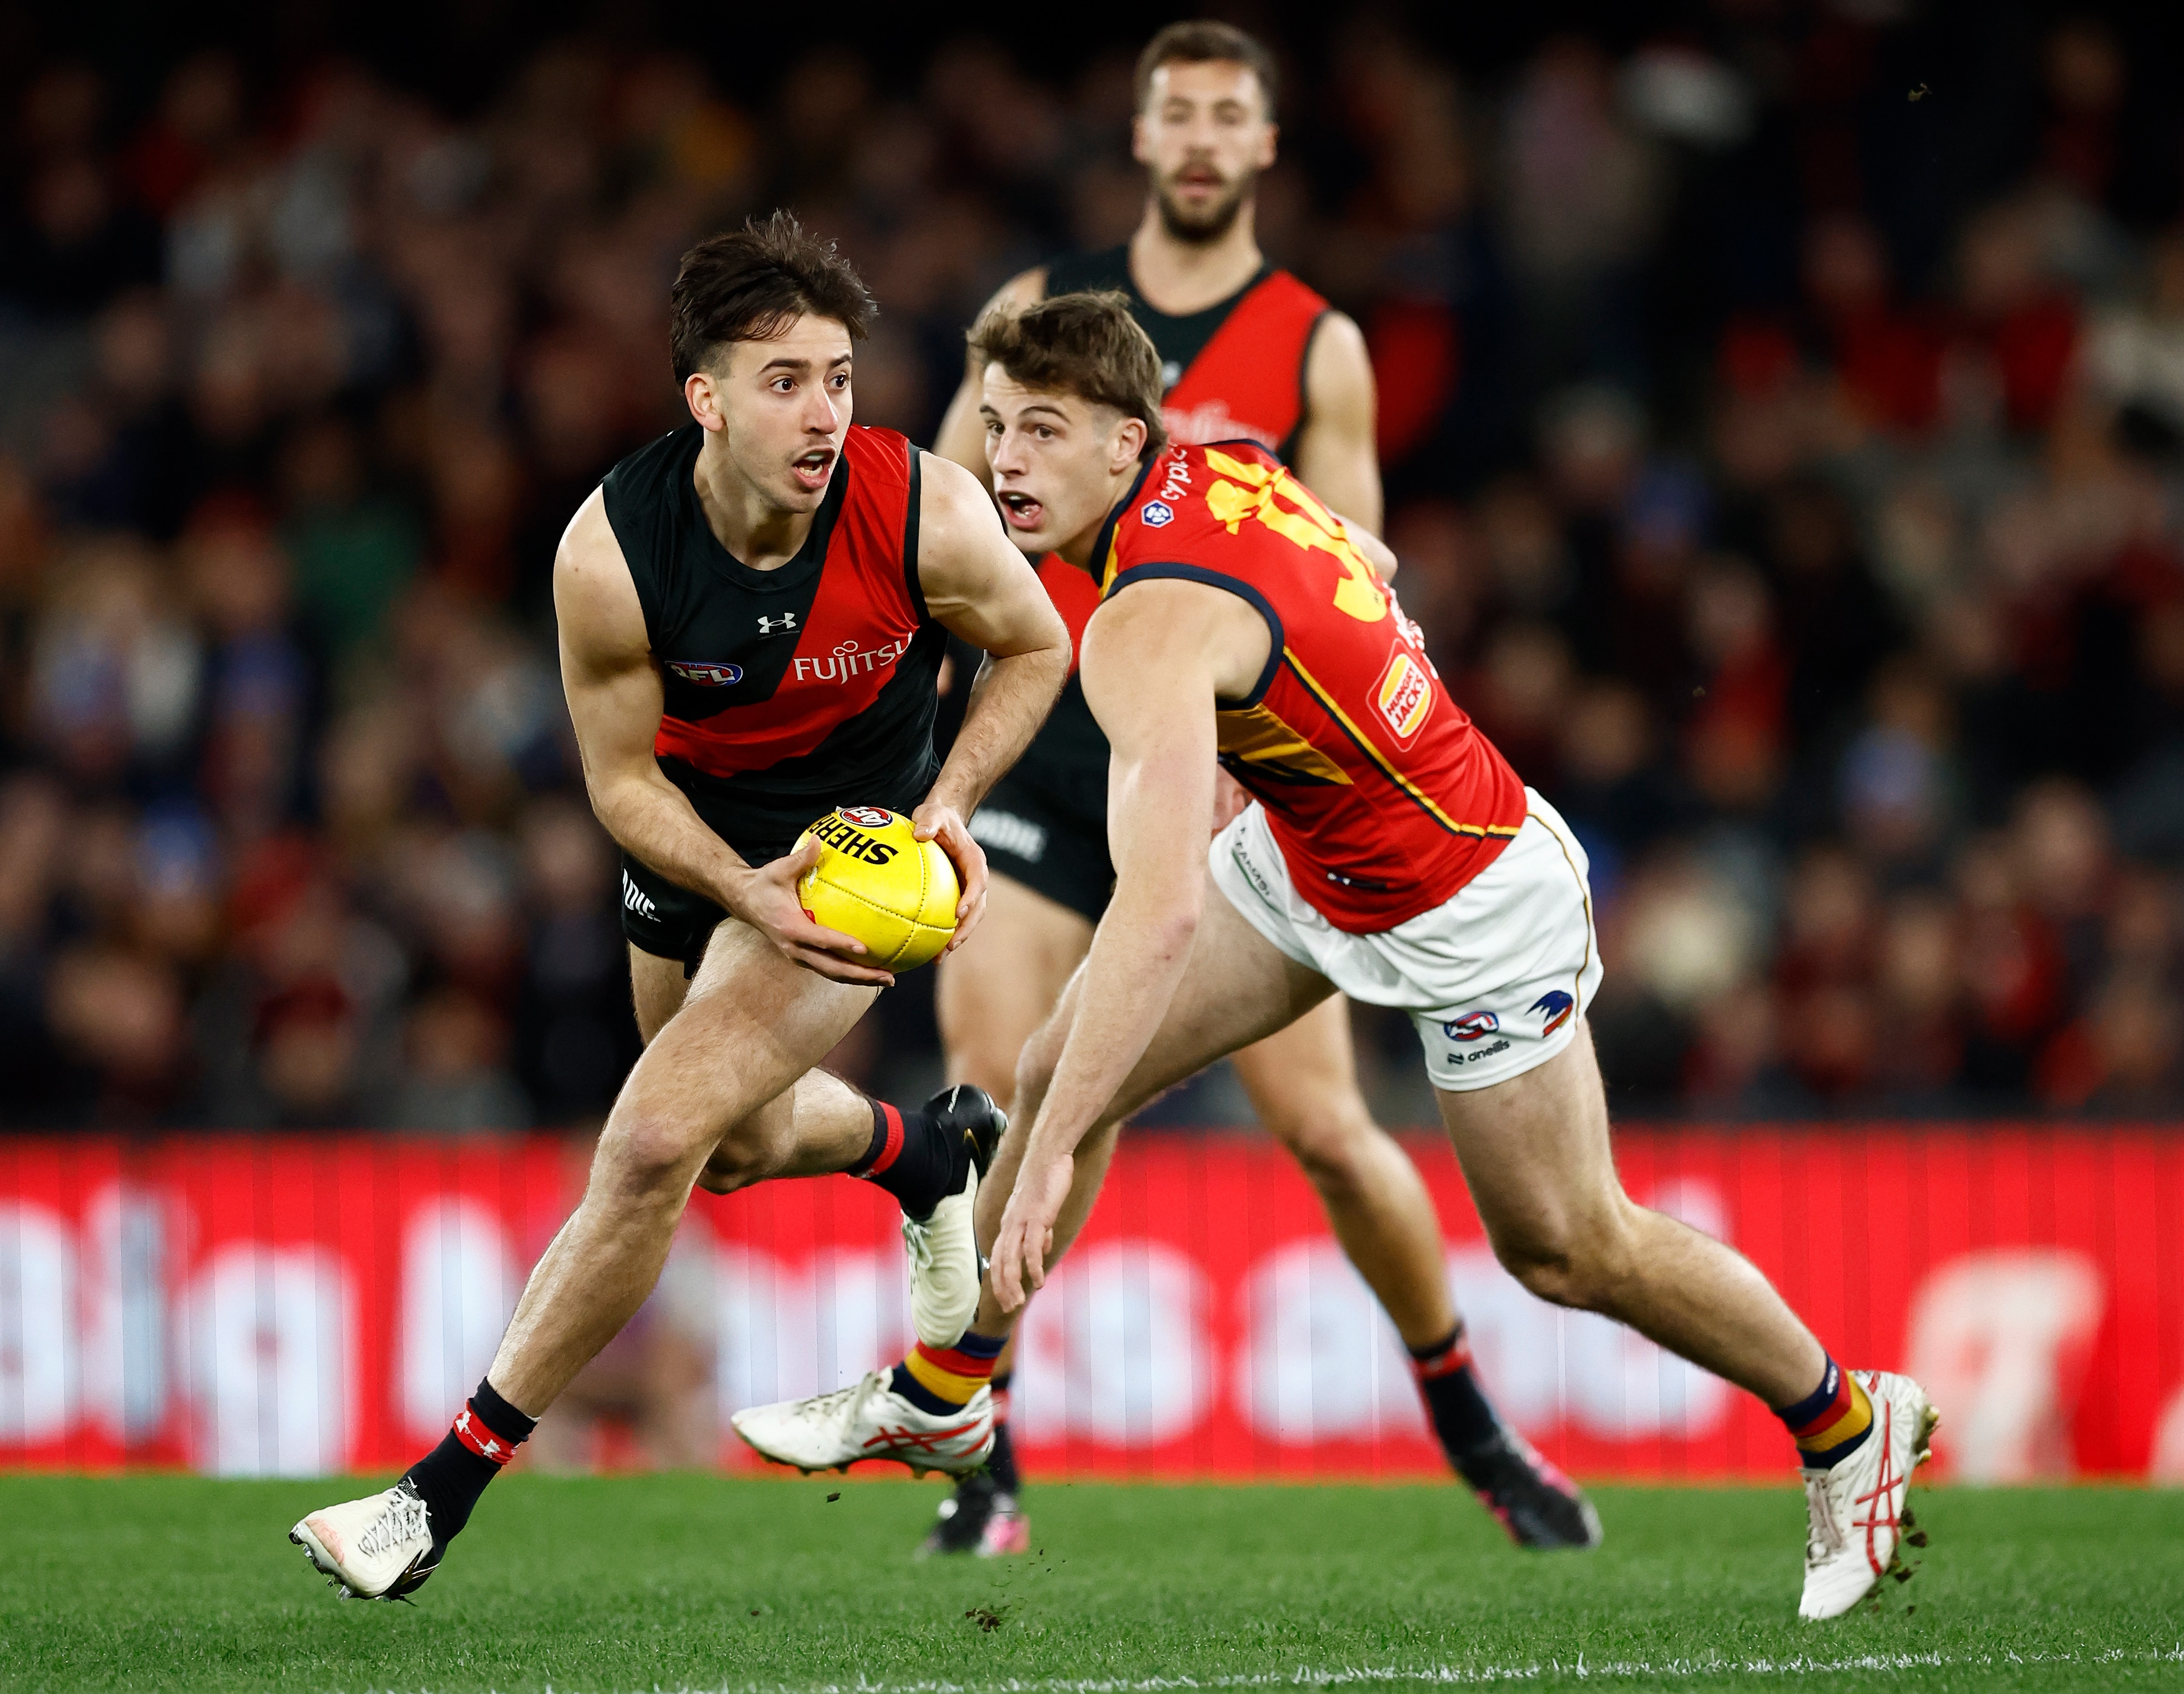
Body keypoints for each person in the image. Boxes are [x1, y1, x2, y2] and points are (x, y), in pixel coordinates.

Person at [733, 293, 1939, 1622]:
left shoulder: (1137, 626)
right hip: (1312, 856)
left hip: (1469, 898)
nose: (1008, 462)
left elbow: (1158, 911)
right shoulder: (1226, 466)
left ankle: (1845, 1421)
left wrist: (1055, 1151)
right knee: (1046, 1055)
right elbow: (1368, 557)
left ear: (1129, 443)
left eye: (1047, 433)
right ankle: (948, 1400)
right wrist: (1302, 718)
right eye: (1002, 428)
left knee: (1565, 1245)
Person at [287, 213, 1071, 1602]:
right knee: (732, 1149)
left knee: (652, 1137)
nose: (823, 411)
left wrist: (946, 803)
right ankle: (920, 1155)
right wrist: (733, 888)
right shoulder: (613, 551)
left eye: (838, 376)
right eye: (784, 382)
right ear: (705, 399)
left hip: (853, 865)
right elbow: (620, 782)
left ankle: (433, 1496)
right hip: (700, 857)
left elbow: (1035, 642)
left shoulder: (921, 509)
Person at [918, 18, 1592, 1558]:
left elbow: (1363, 562)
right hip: (1054, 747)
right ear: (1143, 139)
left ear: (1265, 147)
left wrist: (1254, 633)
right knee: (1004, 1084)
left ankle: (1471, 1427)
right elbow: (945, 513)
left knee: (1332, 1134)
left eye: (1234, 115)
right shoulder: (1039, 315)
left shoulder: (1314, 342)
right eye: (1181, 115)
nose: (1206, 139)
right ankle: (982, 1459)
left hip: (1229, 770)